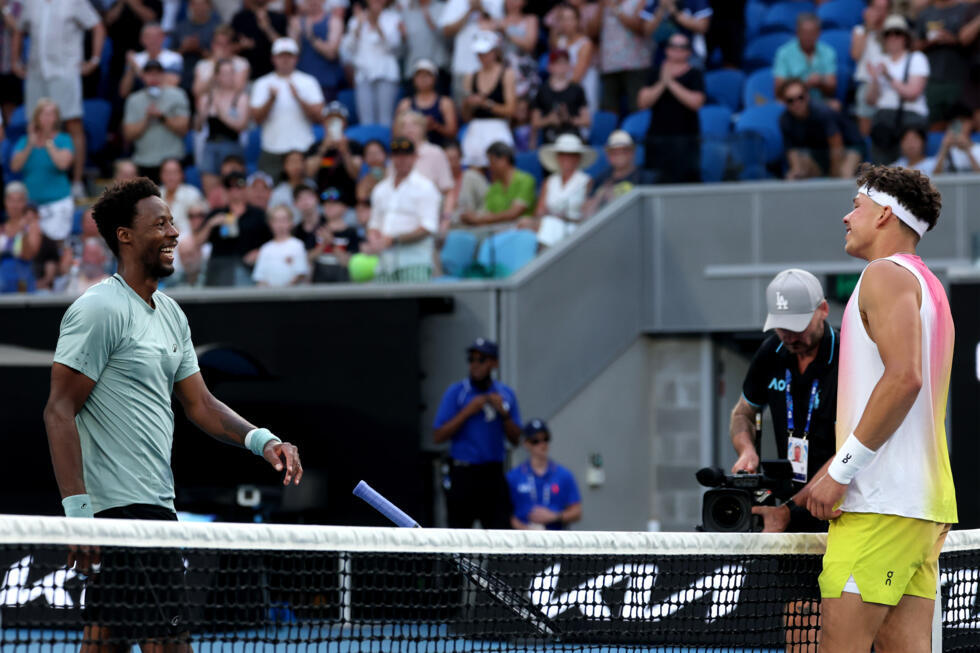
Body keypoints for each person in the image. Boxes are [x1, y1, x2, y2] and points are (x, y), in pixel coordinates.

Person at [44, 177, 301, 652]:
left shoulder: (171, 314)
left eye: (172, 222)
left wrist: (262, 439)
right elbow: (59, 410)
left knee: (106, 642)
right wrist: (78, 516)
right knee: (168, 643)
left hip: (156, 507)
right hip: (119, 512)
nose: (174, 233)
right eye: (159, 223)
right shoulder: (98, 309)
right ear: (125, 235)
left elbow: (201, 405)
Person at [806, 165, 954, 653]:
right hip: (918, 507)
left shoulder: (883, 275)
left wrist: (842, 470)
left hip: (880, 505)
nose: (846, 217)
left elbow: (904, 379)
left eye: (857, 206)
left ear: (885, 214)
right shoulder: (929, 286)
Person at [731, 268, 839, 535]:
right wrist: (747, 450)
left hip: (839, 509)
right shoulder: (771, 351)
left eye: (798, 326)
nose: (790, 337)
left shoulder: (848, 354)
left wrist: (788, 511)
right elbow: (742, 414)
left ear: (823, 309)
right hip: (785, 512)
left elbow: (856, 447)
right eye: (782, 327)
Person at [11, 0, 104, 200]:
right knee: (35, 126)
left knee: (73, 124)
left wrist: (94, 60)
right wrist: (14, 60)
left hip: (65, 71)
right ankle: (35, 184)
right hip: (36, 72)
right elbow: (19, 29)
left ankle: (77, 182)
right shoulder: (30, 3)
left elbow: (97, 26)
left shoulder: (75, 2)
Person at [433, 337, 523, 529]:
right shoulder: (457, 392)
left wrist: (504, 414)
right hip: (463, 473)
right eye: (471, 359)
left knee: (500, 534)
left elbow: (516, 439)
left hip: (493, 473)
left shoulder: (505, 394)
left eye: (481, 360)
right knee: (458, 535)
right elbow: (438, 435)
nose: (475, 365)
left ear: (494, 363)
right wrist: (468, 411)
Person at [361, 137, 441, 282]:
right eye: (397, 155)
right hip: (385, 262)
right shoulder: (381, 189)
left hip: (414, 262)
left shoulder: (425, 187)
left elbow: (427, 227)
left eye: (406, 155)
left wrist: (393, 240)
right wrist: (373, 238)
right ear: (391, 158)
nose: (402, 159)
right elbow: (374, 224)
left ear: (415, 157)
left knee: (414, 304)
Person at [250, 37, 325, 181]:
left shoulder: (308, 82)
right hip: (272, 149)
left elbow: (319, 117)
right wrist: (271, 100)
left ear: (296, 58)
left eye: (289, 56)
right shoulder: (262, 83)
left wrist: (299, 98)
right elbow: (256, 119)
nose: (285, 60)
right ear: (273, 58)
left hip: (303, 148)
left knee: (305, 192)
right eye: (281, 56)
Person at [637, 32, 705, 184]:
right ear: (667, 50)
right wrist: (662, 82)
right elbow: (642, 102)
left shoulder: (695, 74)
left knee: (686, 181)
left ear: (689, 51)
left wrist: (671, 83)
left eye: (683, 47)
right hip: (658, 139)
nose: (678, 50)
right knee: (657, 180)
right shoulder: (655, 73)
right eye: (673, 46)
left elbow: (696, 102)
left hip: (686, 139)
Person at [867, 14, 930, 165]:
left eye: (898, 33)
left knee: (910, 165)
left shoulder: (916, 58)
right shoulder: (880, 61)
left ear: (905, 37)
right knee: (881, 165)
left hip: (910, 116)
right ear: (884, 38)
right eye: (889, 34)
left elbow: (913, 93)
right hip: (885, 120)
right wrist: (875, 79)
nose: (893, 37)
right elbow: (871, 100)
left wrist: (888, 77)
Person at [9, 99, 75, 243]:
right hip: (31, 206)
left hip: (58, 204)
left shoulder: (64, 139)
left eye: (51, 114)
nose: (47, 118)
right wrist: (30, 145)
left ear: (56, 118)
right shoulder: (25, 140)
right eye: (44, 114)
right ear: (36, 117)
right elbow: (14, 166)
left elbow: (63, 164)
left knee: (54, 246)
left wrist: (48, 141)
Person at [197, 171, 272, 287]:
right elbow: (198, 242)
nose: (234, 190)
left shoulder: (258, 215)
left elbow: (272, 242)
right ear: (225, 191)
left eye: (239, 186)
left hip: (249, 270)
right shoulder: (216, 213)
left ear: (246, 189)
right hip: (219, 270)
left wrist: (259, 252)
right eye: (230, 187)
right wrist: (211, 224)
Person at [779, 78, 862, 180]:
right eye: (790, 100)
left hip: (849, 147)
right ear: (785, 103)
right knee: (795, 175)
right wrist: (796, 170)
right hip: (818, 153)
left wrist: (834, 174)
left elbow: (836, 145)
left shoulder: (823, 112)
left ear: (807, 96)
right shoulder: (785, 120)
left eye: (800, 97)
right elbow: (791, 151)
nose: (796, 103)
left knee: (844, 174)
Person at [507, 419, 582, 530]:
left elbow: (577, 512)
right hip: (522, 539)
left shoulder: (564, 475)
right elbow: (504, 513)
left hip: (555, 538)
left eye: (545, 439)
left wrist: (555, 516)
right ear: (527, 444)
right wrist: (525, 531)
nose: (542, 444)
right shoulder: (513, 477)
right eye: (535, 441)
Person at [122, 60, 191, 184]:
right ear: (143, 76)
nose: (153, 77)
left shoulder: (178, 95)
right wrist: (147, 119)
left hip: (172, 161)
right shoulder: (133, 100)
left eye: (157, 73)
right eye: (149, 73)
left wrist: (163, 118)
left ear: (163, 75)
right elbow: (128, 135)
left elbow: (184, 129)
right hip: (144, 161)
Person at [460, 31, 516, 171]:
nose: (482, 57)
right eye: (479, 53)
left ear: (495, 52)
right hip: (475, 129)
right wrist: (468, 104)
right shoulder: (470, 76)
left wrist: (486, 104)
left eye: (485, 52)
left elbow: (511, 110)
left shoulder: (507, 74)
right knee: (475, 172)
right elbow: (466, 116)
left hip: (498, 128)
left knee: (500, 171)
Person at [341, 0, 403, 126]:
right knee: (366, 120)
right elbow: (348, 48)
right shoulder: (356, 19)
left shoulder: (394, 18)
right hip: (363, 74)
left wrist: (377, 26)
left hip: (386, 73)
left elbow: (395, 47)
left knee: (385, 120)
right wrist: (358, 27)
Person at [196, 58, 249, 195]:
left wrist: (222, 114)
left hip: (231, 145)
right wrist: (202, 114)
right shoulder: (207, 98)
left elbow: (241, 125)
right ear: (217, 76)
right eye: (225, 73)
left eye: (232, 73)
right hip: (210, 145)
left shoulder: (240, 98)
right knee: (210, 188)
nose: (229, 77)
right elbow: (197, 127)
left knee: (232, 186)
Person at [532, 133, 594, 248]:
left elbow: (588, 215)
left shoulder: (586, 181)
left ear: (578, 158)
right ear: (557, 157)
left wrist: (564, 218)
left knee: (548, 227)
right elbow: (539, 211)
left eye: (571, 155)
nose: (566, 158)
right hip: (548, 225)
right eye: (563, 154)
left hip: (575, 229)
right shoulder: (549, 181)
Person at [591, 0, 652, 115]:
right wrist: (601, 7)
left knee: (636, 106)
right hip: (609, 63)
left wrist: (616, 8)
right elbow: (593, 31)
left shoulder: (640, 1)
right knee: (609, 108)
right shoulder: (604, 3)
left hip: (635, 63)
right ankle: (609, 133)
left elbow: (640, 27)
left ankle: (634, 133)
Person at [915, 0, 969, 127]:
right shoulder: (926, 13)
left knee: (958, 125)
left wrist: (954, 40)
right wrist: (930, 42)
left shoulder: (965, 9)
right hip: (932, 80)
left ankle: (954, 146)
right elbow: (914, 46)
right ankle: (939, 147)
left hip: (960, 80)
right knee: (933, 124)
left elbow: (971, 41)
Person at [460, 141, 535, 230]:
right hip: (496, 230)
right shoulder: (494, 187)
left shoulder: (526, 180)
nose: (490, 167)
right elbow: (488, 212)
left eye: (492, 162)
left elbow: (514, 213)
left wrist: (478, 219)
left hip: (520, 230)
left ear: (504, 160)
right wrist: (473, 217)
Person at [439, 0, 505, 102]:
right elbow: (446, 31)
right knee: (464, 110)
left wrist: (481, 9)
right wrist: (470, 10)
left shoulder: (497, 2)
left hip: (491, 67)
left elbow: (503, 27)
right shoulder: (456, 2)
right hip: (463, 67)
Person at [773, 13, 838, 107]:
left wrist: (820, 83)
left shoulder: (828, 52)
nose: (808, 37)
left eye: (812, 33)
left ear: (819, 33)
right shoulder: (784, 53)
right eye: (804, 33)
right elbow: (778, 90)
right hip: (793, 102)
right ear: (797, 33)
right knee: (780, 104)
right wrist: (803, 85)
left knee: (835, 106)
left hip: (819, 102)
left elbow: (832, 89)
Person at [583, 130, 649, 218]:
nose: (619, 155)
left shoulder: (644, 178)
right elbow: (585, 212)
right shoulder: (601, 178)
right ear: (608, 155)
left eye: (624, 151)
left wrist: (614, 201)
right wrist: (600, 198)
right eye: (614, 152)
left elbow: (646, 213)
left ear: (632, 152)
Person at [307, 101, 362, 205]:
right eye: (330, 119)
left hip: (347, 202)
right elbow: (309, 173)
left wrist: (345, 152)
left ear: (345, 123)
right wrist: (323, 148)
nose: (333, 122)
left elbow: (355, 174)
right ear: (324, 123)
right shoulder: (315, 146)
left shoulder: (354, 146)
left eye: (338, 119)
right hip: (323, 202)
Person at [531, 49, 591, 145]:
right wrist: (549, 120)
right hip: (550, 142)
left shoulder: (577, 89)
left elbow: (587, 121)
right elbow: (535, 122)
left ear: (569, 66)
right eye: (557, 63)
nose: (561, 67)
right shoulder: (542, 91)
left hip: (573, 141)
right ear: (550, 67)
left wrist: (569, 119)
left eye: (564, 63)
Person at [289, 0, 345, 102]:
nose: (313, 1)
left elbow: (331, 53)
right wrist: (297, 36)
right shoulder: (296, 22)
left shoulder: (334, 21)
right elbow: (292, 54)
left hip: (325, 82)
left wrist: (311, 36)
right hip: (301, 83)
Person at [303, 186, 362, 282]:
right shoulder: (317, 230)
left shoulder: (351, 233)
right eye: (326, 203)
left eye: (334, 203)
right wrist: (323, 245)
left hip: (343, 287)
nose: (328, 206)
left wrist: (331, 243)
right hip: (318, 286)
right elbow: (309, 258)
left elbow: (348, 262)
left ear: (345, 207)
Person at [396, 59, 459, 147]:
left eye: (427, 75)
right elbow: (397, 134)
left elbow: (453, 133)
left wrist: (436, 126)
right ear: (414, 79)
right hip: (412, 151)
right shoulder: (405, 104)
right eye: (419, 75)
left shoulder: (445, 103)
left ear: (435, 79)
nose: (423, 78)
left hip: (440, 147)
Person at [850, 0, 891, 137]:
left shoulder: (893, 33)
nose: (880, 13)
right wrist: (869, 27)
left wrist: (882, 30)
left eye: (884, 9)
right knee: (865, 131)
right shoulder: (860, 30)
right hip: (866, 83)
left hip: (889, 84)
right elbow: (856, 55)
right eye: (877, 8)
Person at [551, 2, 599, 115]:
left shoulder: (585, 44)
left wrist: (559, 93)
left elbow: (577, 77)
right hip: (562, 86)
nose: (567, 23)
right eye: (563, 19)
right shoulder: (559, 41)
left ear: (577, 21)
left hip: (582, 88)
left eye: (570, 19)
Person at [394, 110, 454, 195]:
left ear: (423, 128)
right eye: (404, 126)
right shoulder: (396, 154)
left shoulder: (436, 152)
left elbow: (448, 189)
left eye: (414, 125)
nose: (409, 129)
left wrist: (447, 209)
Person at [400, 0, 450, 97]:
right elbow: (402, 50)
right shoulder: (407, 11)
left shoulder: (443, 8)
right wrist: (403, 38)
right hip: (413, 71)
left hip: (439, 70)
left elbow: (449, 42)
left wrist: (432, 24)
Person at [641, 0, 713, 67]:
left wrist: (674, 11)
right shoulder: (655, 2)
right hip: (661, 55)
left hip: (691, 55)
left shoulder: (696, 1)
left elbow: (702, 27)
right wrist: (661, 8)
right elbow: (646, 31)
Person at [119, 22, 183, 97]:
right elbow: (124, 92)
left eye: (156, 36)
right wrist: (130, 68)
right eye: (148, 36)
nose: (153, 40)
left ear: (163, 38)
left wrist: (136, 67)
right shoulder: (135, 58)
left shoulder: (174, 58)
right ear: (141, 39)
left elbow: (170, 85)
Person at [252, 204, 310, 286]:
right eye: (276, 220)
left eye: (284, 220)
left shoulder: (297, 245)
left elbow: (301, 273)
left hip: (292, 296)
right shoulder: (265, 248)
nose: (280, 224)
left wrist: (284, 292)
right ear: (270, 223)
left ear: (291, 222)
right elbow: (260, 278)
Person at [172, 0, 222, 93]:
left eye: (202, 4)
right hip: (184, 71)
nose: (199, 8)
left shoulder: (217, 26)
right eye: (195, 4)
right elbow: (170, 55)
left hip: (209, 70)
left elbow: (221, 56)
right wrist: (184, 48)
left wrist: (199, 49)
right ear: (190, 6)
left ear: (209, 6)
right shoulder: (181, 27)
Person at [0, 181, 41, 293]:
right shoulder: (2, 228)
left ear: (25, 203)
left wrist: (22, 231)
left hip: (22, 278)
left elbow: (28, 255)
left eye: (19, 201)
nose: (15, 205)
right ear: (5, 202)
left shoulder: (32, 227)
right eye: (11, 200)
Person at [232, 0, 287, 80]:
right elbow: (229, 48)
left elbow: (284, 47)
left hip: (273, 75)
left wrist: (267, 28)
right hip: (246, 76)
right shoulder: (240, 18)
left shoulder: (279, 18)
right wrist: (242, 45)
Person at [192, 24, 251, 100]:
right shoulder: (202, 65)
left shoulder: (242, 63)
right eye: (219, 44)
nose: (222, 48)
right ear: (212, 44)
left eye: (225, 44)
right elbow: (197, 92)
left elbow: (238, 89)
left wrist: (223, 64)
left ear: (231, 45)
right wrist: (216, 65)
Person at [496, 0, 540, 99]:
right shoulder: (498, 22)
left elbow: (530, 45)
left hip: (525, 71)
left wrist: (507, 31)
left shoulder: (530, 19)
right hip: (505, 71)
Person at [159, 158, 204, 236]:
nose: (171, 177)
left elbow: (199, 224)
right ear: (161, 175)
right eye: (167, 173)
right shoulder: (155, 195)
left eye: (174, 172)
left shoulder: (192, 194)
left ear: (182, 175)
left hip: (186, 239)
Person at [270, 150, 316, 223]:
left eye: (299, 161)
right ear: (284, 166)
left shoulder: (312, 186)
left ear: (304, 163)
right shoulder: (278, 193)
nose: (296, 165)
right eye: (292, 161)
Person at [932, 104, 980, 174]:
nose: (959, 126)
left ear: (971, 123)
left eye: (962, 121)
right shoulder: (945, 151)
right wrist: (944, 149)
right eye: (954, 123)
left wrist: (968, 151)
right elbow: (934, 177)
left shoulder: (978, 149)